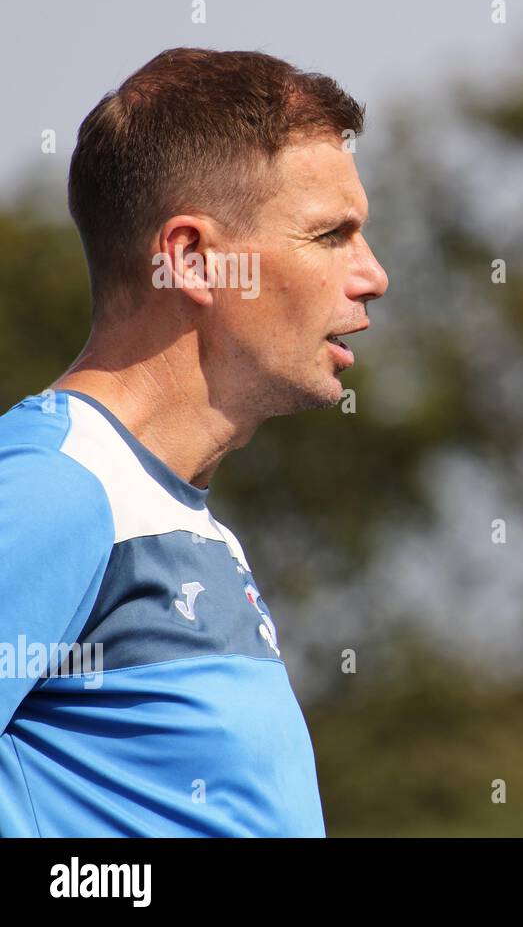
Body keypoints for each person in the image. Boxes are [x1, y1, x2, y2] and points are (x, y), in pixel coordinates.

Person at [0, 47, 388, 836]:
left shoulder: (179, 518)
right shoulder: (56, 488)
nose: (372, 274)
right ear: (193, 259)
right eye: (330, 235)